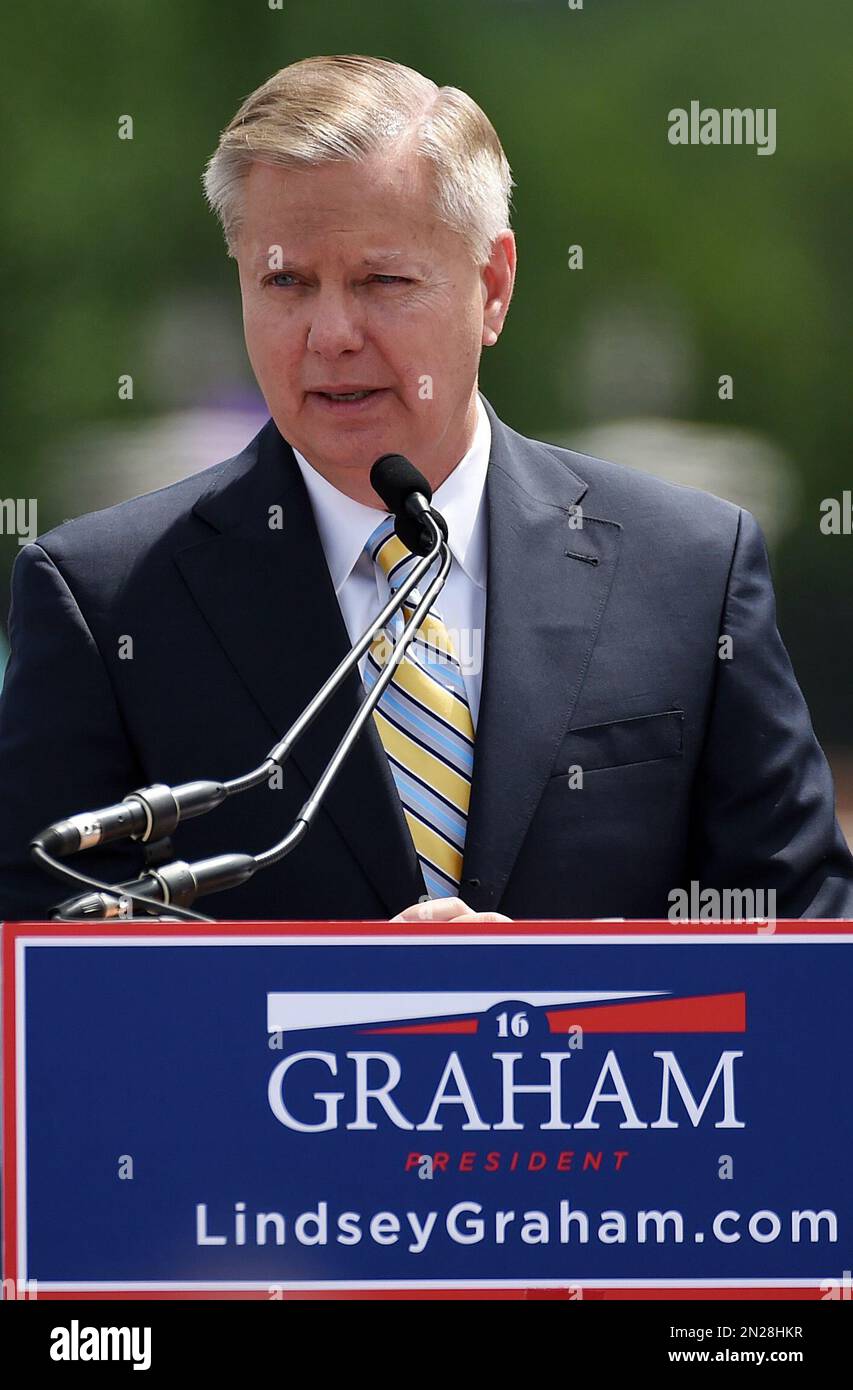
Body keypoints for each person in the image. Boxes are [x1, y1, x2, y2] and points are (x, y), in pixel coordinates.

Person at [1, 54, 851, 924]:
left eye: (382, 281)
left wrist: (544, 997)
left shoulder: (690, 571)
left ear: (492, 286)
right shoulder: (103, 600)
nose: (330, 334)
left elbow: (806, 936)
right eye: (285, 281)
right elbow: (36, 971)